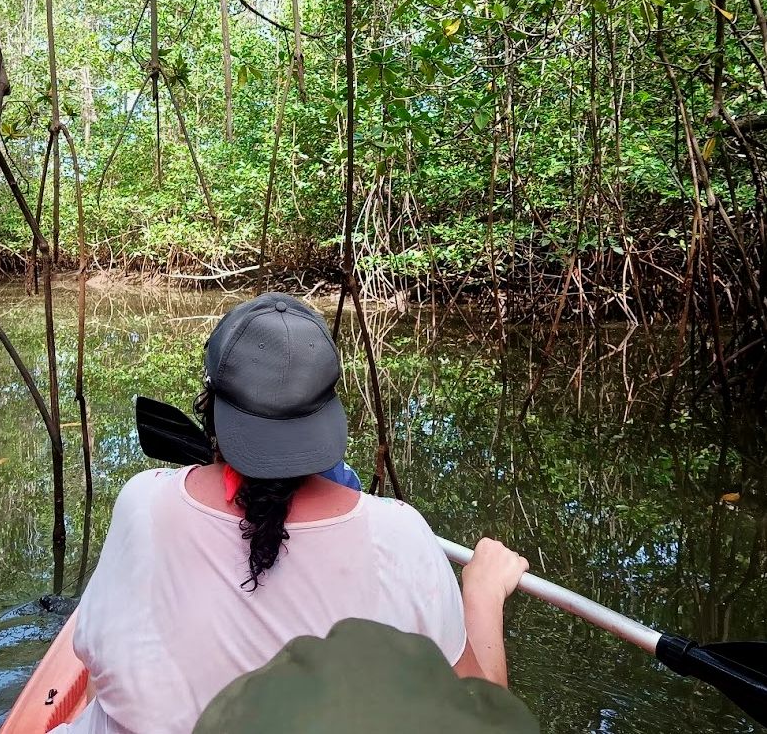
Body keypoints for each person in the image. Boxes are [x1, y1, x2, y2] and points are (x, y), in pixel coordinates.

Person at [54, 292, 529, 734]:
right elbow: (481, 717)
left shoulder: (143, 502)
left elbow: (99, 671)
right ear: (327, 418)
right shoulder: (400, 534)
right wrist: (482, 594)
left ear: (212, 407)